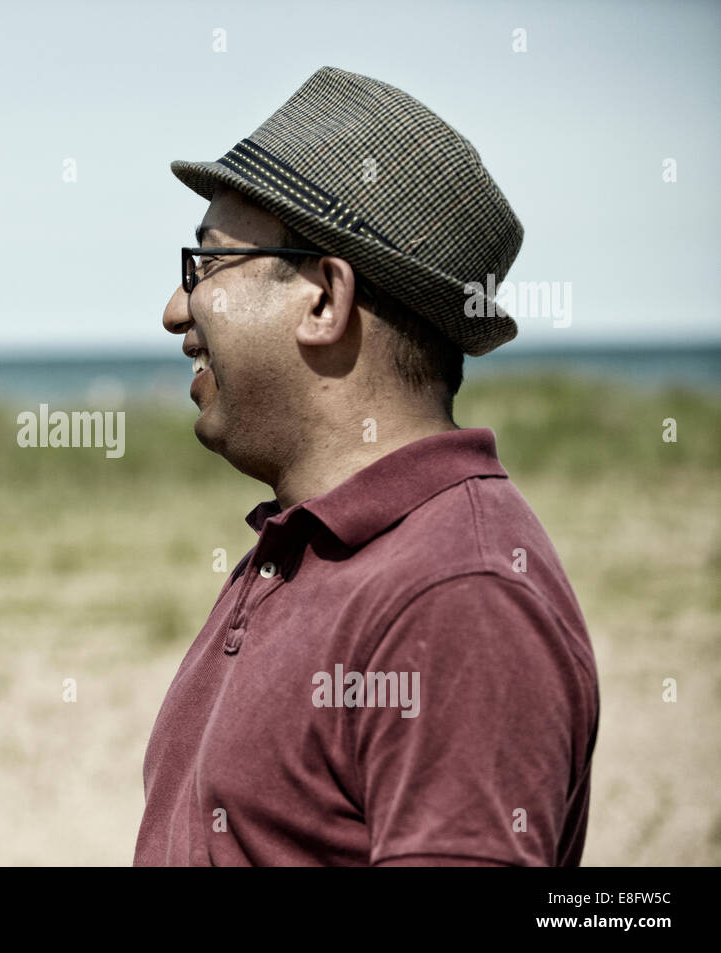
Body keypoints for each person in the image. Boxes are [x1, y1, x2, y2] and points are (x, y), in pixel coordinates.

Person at [135, 67, 599, 866]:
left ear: (324, 298)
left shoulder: (458, 598)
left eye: (206, 265)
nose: (177, 309)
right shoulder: (298, 550)